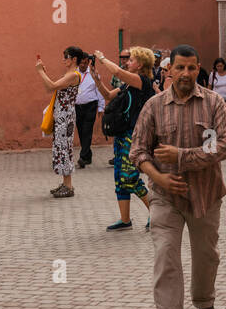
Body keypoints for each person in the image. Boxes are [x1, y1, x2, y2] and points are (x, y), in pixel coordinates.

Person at [132, 45, 226, 309]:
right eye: (180, 68)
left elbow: (221, 148)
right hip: (165, 198)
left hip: (205, 194)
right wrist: (158, 179)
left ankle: (204, 301)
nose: (186, 74)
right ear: (169, 70)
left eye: (191, 68)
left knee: (205, 254)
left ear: (198, 68)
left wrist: (181, 156)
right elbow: (138, 152)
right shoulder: (154, 106)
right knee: (166, 259)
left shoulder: (213, 104)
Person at [94, 46, 155, 231]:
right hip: (122, 135)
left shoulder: (142, 81)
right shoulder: (128, 84)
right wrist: (97, 81)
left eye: (131, 59)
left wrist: (102, 57)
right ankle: (125, 219)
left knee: (130, 177)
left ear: (140, 64)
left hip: (134, 135)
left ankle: (156, 214)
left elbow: (118, 72)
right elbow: (108, 96)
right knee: (119, 178)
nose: (128, 62)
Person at [35, 47, 83, 197]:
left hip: (65, 117)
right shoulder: (70, 74)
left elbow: (52, 86)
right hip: (63, 116)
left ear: (74, 59)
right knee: (61, 147)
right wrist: (43, 72)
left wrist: (41, 72)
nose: (64, 59)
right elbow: (52, 86)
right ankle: (65, 183)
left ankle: (68, 186)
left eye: (66, 57)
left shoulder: (73, 75)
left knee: (64, 148)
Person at [75, 54, 105, 168]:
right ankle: (88, 155)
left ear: (88, 62)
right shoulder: (74, 74)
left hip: (90, 106)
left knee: (87, 131)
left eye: (85, 63)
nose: (83, 65)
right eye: (81, 63)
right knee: (81, 131)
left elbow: (99, 90)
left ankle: (82, 158)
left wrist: (101, 107)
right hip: (77, 107)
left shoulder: (93, 74)